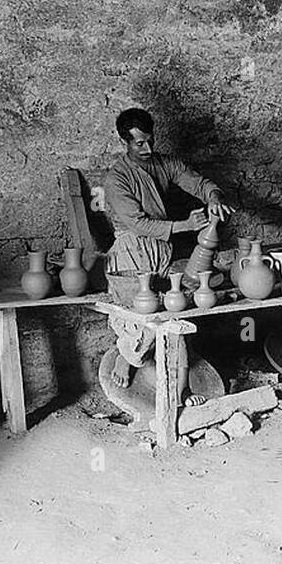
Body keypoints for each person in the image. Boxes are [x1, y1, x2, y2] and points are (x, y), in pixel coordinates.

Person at [103, 108, 235, 392]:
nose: (148, 148)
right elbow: (138, 224)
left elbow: (198, 183)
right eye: (139, 143)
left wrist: (213, 198)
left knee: (178, 305)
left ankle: (178, 384)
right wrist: (185, 225)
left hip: (161, 253)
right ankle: (126, 355)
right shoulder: (117, 179)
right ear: (124, 141)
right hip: (130, 253)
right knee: (144, 316)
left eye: (150, 140)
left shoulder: (166, 163)